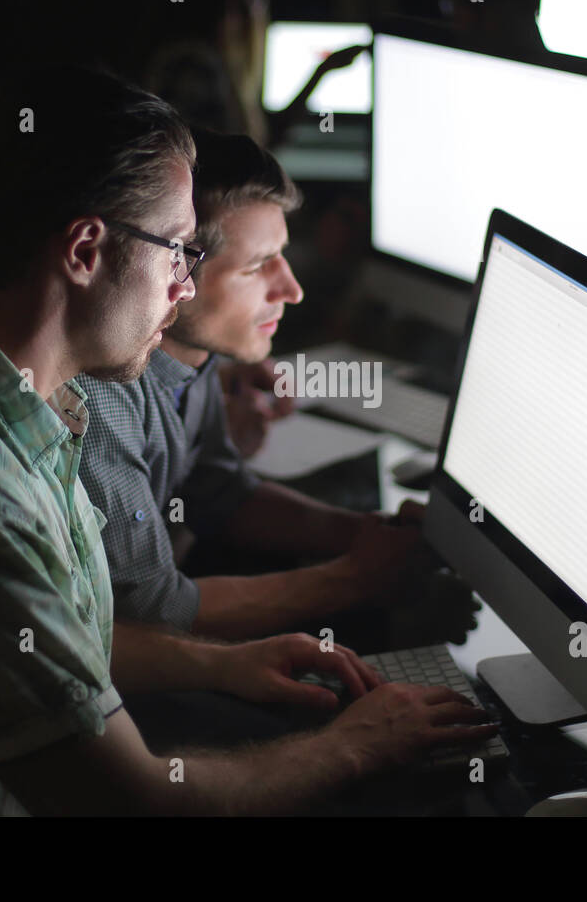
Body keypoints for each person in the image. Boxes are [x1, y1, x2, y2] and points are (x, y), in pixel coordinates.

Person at [0, 67, 495, 816]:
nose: (183, 287)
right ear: (83, 251)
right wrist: (358, 743)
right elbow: (135, 802)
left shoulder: (4, 389)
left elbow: (63, 642)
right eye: (177, 249)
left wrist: (225, 664)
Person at [76, 128, 478, 643]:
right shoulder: (101, 397)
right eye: (258, 265)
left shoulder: (196, 357)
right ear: (174, 268)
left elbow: (219, 492)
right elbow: (151, 613)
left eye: (283, 256)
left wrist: (364, 536)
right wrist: (356, 576)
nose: (292, 289)